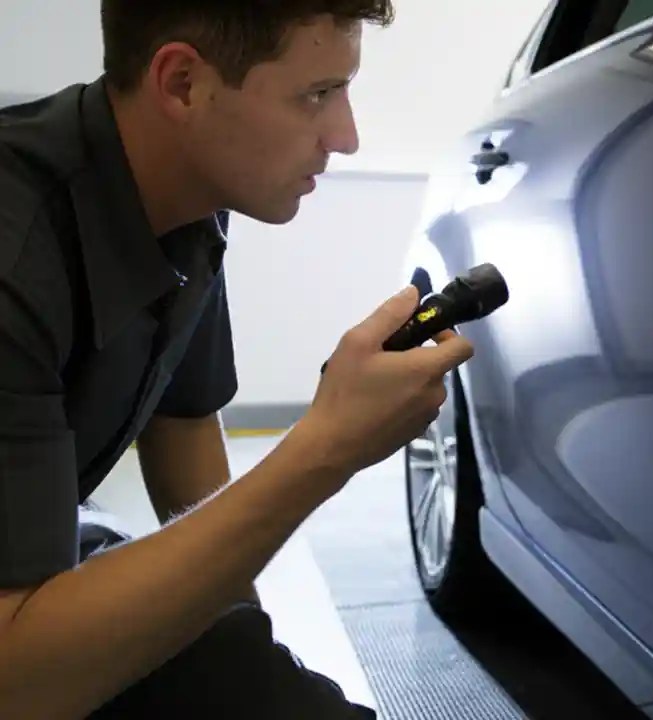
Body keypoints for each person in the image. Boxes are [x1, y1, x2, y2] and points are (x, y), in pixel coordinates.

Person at [0, 1, 473, 717]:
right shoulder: (15, 252)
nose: (345, 137)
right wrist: (326, 449)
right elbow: (18, 684)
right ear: (183, 83)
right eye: (316, 94)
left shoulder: (186, 200)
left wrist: (253, 652)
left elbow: (182, 423)